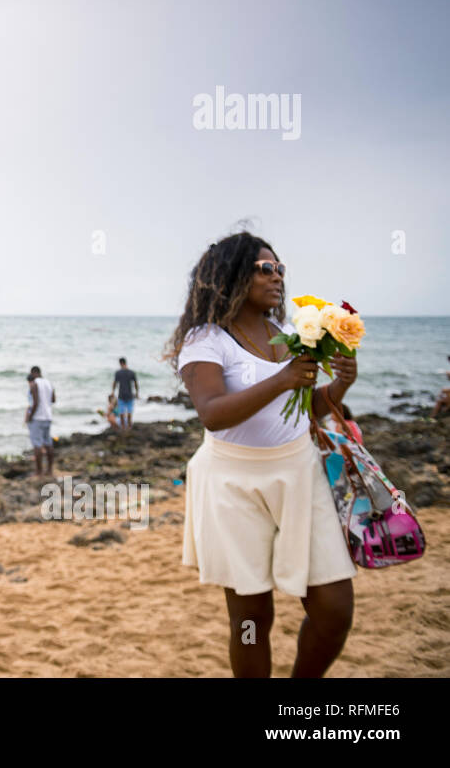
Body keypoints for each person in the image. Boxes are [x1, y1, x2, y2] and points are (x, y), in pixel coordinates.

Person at [166, 231, 356, 678]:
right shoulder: (205, 339)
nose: (277, 277)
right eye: (265, 269)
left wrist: (341, 385)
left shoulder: (288, 333)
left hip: (298, 471)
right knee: (252, 620)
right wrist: (284, 378)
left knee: (334, 609)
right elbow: (212, 413)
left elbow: (308, 409)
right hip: (233, 483)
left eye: (280, 269)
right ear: (230, 275)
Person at [26, 366, 55, 476]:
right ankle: (50, 470)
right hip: (48, 416)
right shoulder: (49, 383)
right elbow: (53, 399)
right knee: (48, 443)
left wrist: (30, 416)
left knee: (37, 445)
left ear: (33, 373)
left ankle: (39, 471)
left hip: (37, 417)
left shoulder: (34, 384)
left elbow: (35, 402)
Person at [112, 357, 139, 431]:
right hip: (130, 395)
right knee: (129, 412)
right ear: (125, 363)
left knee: (121, 413)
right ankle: (129, 427)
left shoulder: (118, 373)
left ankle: (123, 428)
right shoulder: (131, 372)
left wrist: (113, 392)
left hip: (121, 395)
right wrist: (137, 393)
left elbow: (115, 383)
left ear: (120, 363)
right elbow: (136, 384)